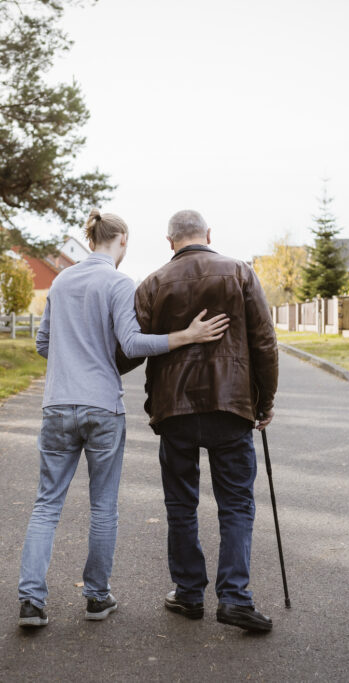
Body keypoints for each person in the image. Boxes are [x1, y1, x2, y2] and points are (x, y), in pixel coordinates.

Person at [17, 209, 229, 629]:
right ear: (122, 241)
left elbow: (43, 343)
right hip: (102, 409)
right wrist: (186, 336)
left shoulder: (61, 281)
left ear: (91, 239)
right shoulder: (117, 282)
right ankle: (96, 598)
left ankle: (31, 602)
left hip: (58, 406)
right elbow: (131, 344)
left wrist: (70, 356)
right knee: (102, 507)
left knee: (46, 505)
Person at [133, 209, 278, 633]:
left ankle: (189, 593)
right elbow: (264, 342)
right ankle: (234, 598)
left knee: (181, 504)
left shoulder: (153, 283)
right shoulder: (240, 273)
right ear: (208, 235)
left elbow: (129, 351)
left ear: (169, 240)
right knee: (236, 503)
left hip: (173, 410)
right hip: (230, 407)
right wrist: (264, 401)